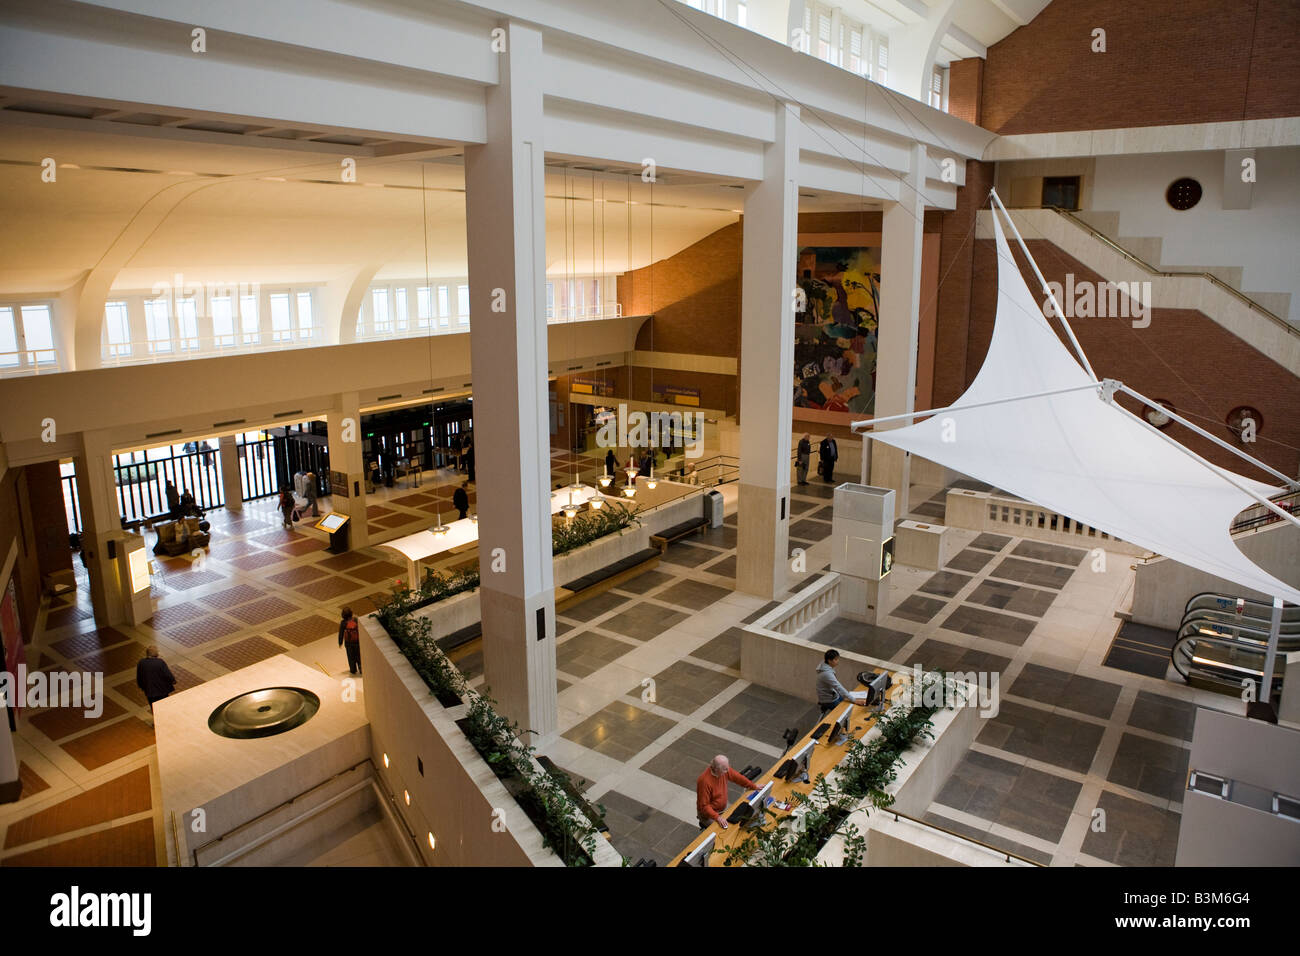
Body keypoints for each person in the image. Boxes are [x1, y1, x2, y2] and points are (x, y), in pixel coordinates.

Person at [696, 755, 758, 830]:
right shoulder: (704, 781)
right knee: (724, 831)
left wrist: (754, 786)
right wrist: (718, 818)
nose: (728, 770)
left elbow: (738, 778)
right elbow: (704, 806)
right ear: (716, 769)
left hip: (720, 810)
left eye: (728, 766)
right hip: (708, 815)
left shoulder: (723, 770)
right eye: (725, 769)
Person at [816, 649, 860, 716]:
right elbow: (838, 687)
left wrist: (853, 699)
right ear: (829, 660)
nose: (838, 661)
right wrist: (854, 700)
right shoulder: (827, 674)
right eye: (836, 659)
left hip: (833, 695)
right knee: (847, 713)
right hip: (828, 700)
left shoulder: (825, 665)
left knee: (850, 703)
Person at [136, 646, 176, 714]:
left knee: (154, 707)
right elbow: (167, 674)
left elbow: (139, 677)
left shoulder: (141, 663)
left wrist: (142, 687)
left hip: (149, 691)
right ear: (156, 654)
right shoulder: (160, 662)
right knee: (164, 706)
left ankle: (156, 721)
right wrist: (173, 680)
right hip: (162, 690)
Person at [338, 606, 361, 675]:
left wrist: (340, 642)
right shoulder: (355, 620)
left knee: (351, 656)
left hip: (348, 643)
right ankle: (361, 668)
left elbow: (341, 633)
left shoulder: (343, 623)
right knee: (358, 655)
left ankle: (353, 670)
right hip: (357, 642)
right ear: (351, 613)